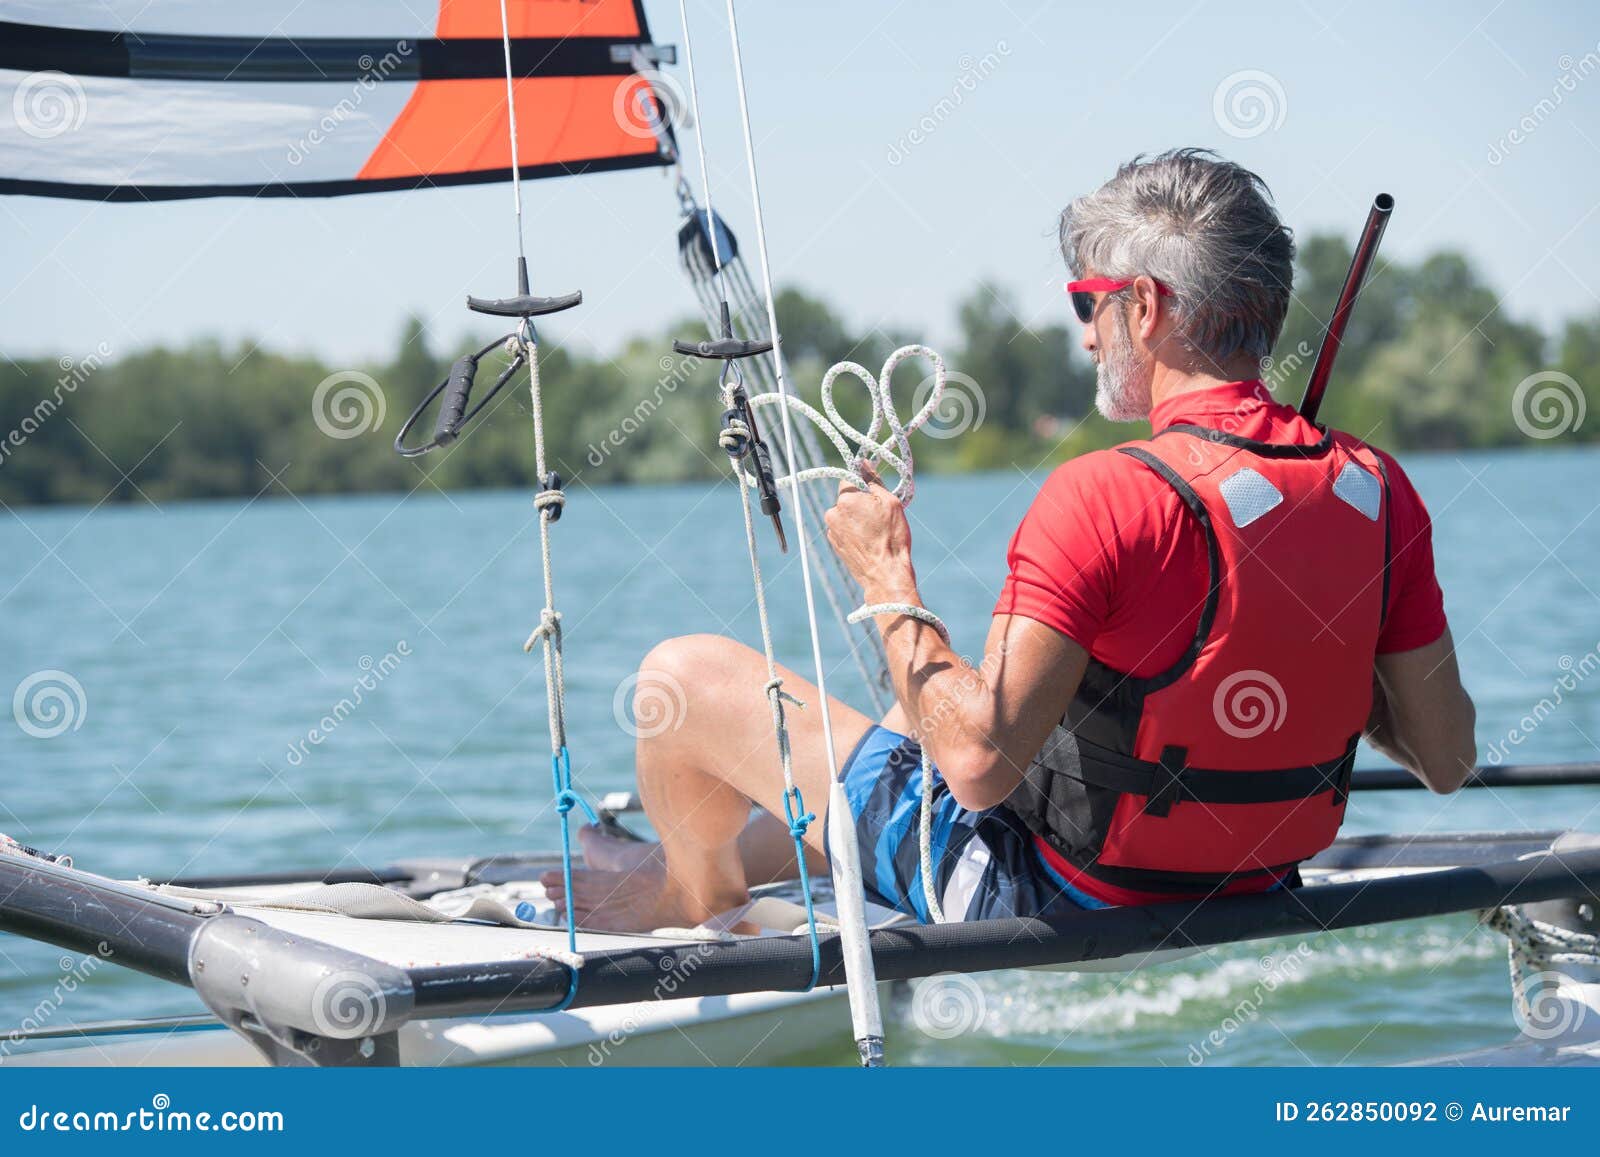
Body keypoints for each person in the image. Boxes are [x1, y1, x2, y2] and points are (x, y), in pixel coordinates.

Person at [546, 148, 1477, 932]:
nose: (1084, 337)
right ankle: (738, 851)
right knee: (925, 703)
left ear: (1144, 307)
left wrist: (886, 578)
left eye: (1087, 303)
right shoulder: (1378, 488)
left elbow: (980, 770)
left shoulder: (1106, 494)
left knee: (682, 677)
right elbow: (1447, 759)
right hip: (1253, 892)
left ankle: (684, 897)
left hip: (1049, 900)